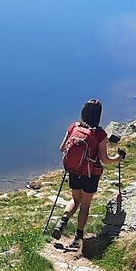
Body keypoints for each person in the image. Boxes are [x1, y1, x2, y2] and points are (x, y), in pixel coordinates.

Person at [52, 99, 125, 249]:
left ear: (84, 112)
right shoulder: (99, 134)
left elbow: (62, 148)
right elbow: (104, 159)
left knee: (75, 199)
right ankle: (78, 237)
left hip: (74, 170)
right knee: (85, 206)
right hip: (91, 175)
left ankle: (63, 221)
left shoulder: (74, 127)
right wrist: (118, 158)